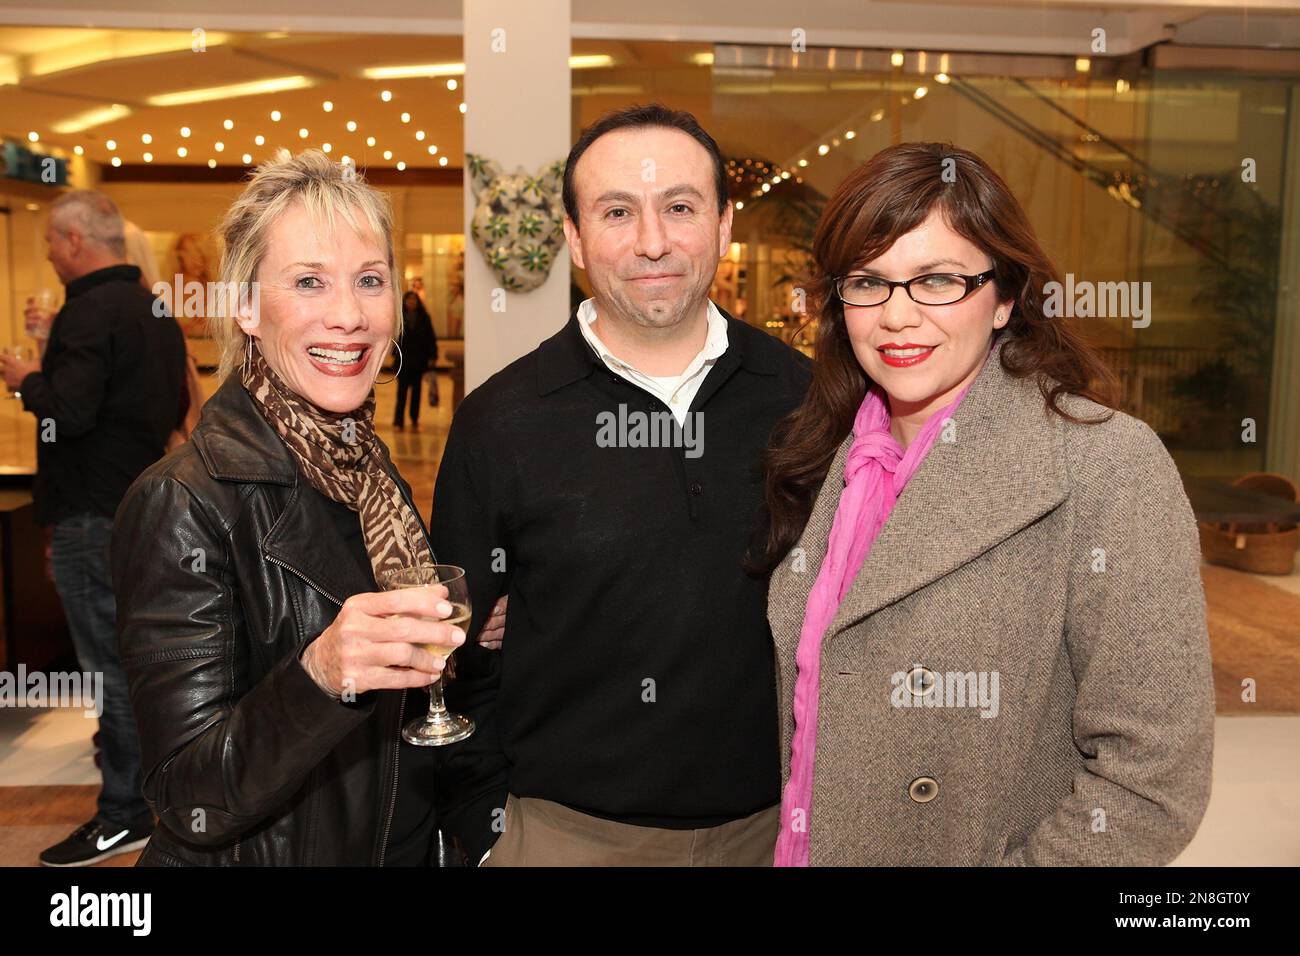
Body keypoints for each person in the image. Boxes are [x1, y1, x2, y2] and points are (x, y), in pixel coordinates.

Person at [755, 142, 1215, 866]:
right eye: (869, 282)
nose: (897, 317)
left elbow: (1151, 786)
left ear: (1004, 298)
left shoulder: (1103, 465)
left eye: (937, 280)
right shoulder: (829, 456)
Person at [429, 104, 811, 866]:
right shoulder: (501, 420)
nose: (653, 241)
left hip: (776, 834)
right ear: (573, 237)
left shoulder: (810, 400)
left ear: (725, 224)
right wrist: (483, 835)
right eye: (617, 212)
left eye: (679, 207)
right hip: (565, 837)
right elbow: (454, 652)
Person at [109, 149, 481, 865]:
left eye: (369, 281)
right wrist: (319, 677)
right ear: (245, 305)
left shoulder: (367, 474)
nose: (348, 316)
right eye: (309, 282)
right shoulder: (182, 501)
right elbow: (188, 797)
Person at [0, 190, 187, 866]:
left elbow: (71, 412)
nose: (48, 252)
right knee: (134, 660)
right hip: (142, 508)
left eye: (51, 241)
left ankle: (123, 811)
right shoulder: (155, 308)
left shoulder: (86, 312)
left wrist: (26, 378)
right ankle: (148, 788)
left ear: (76, 241)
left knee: (109, 669)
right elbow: (160, 403)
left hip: (91, 514)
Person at [393, 290, 437, 429]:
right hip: (403, 362)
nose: (411, 302)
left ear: (417, 302)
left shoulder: (424, 318)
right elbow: (394, 338)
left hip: (418, 362)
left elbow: (430, 338)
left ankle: (414, 418)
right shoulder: (399, 317)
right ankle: (399, 420)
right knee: (401, 392)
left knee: (416, 393)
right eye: (409, 300)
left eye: (414, 300)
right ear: (405, 302)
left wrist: (432, 356)